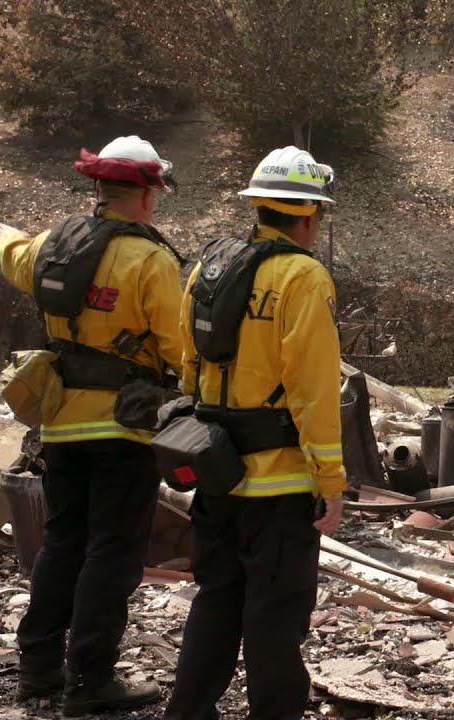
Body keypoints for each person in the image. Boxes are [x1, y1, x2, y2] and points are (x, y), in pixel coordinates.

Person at [0, 136, 185, 715]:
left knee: (62, 541)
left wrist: (2, 238)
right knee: (114, 552)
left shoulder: (55, 244)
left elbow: (15, 255)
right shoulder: (151, 260)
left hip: (59, 424)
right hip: (123, 429)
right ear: (147, 194)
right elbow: (180, 349)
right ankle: (91, 680)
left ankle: (39, 667)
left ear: (98, 190)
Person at [162, 146, 346, 720]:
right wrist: (331, 480)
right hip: (281, 483)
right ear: (311, 215)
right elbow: (313, 388)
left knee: (216, 598)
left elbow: (188, 365)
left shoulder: (209, 269)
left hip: (215, 468)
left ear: (258, 207)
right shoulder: (304, 277)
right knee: (274, 612)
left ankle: (187, 710)